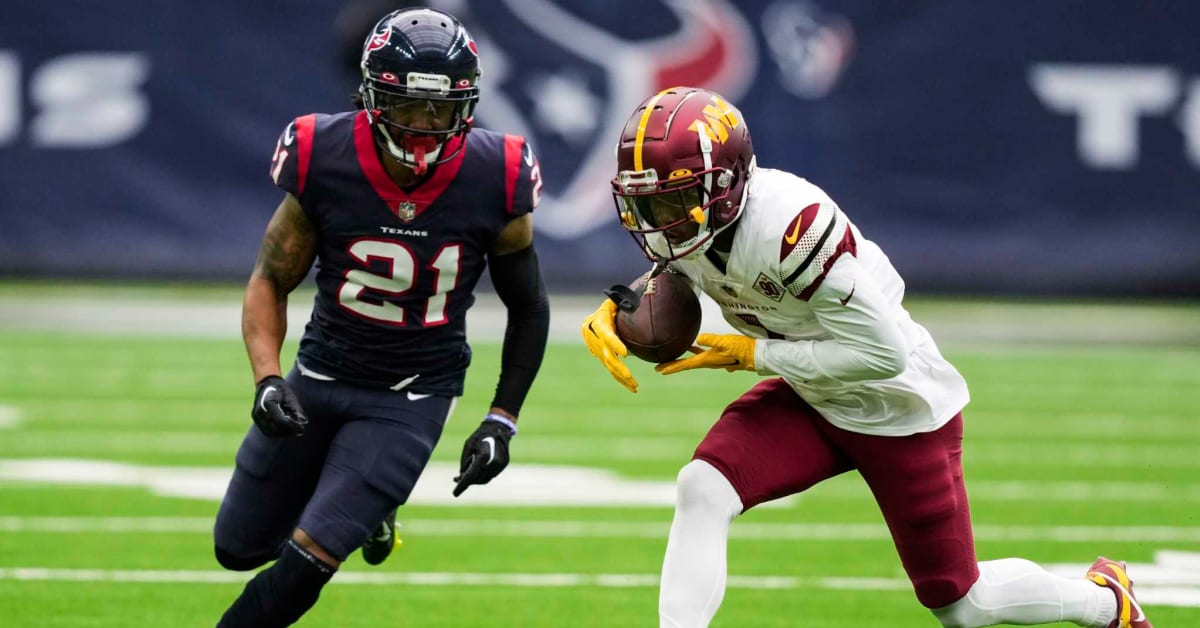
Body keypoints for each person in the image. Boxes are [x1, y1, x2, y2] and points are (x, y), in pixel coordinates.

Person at [581, 86, 1150, 628]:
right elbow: (679, 268)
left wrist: (753, 354)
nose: (660, 221)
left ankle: (1105, 604)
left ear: (726, 186)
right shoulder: (699, 224)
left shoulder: (790, 226)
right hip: (811, 397)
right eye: (648, 204)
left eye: (675, 200)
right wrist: (625, 306)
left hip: (898, 406)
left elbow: (883, 354)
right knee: (702, 487)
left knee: (963, 606)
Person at [213, 7, 549, 627]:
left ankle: (361, 505)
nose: (423, 125)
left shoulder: (494, 174)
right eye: (407, 106)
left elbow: (527, 305)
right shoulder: (323, 154)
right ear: (371, 95)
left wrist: (502, 419)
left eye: (440, 109)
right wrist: (267, 379)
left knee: (304, 565)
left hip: (413, 393)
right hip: (319, 372)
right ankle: (373, 509)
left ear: (466, 105)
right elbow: (270, 278)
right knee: (237, 548)